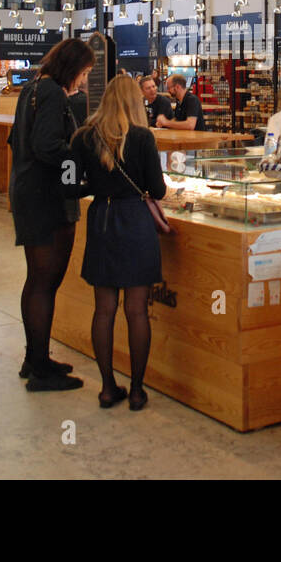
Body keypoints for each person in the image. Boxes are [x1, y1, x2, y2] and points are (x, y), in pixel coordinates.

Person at [72, 74, 168, 411]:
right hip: (135, 223)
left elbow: (68, 182)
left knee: (104, 309)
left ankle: (108, 388)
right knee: (137, 310)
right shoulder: (143, 138)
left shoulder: (83, 137)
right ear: (134, 101)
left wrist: (96, 186)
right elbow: (157, 190)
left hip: (102, 221)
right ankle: (138, 390)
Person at [10, 37, 95, 392]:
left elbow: (20, 141)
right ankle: (40, 368)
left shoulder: (32, 87)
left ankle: (35, 358)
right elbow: (49, 147)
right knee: (45, 281)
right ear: (73, 67)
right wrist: (79, 174)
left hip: (29, 192)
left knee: (37, 280)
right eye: (85, 72)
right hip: (46, 199)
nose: (84, 81)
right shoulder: (53, 94)